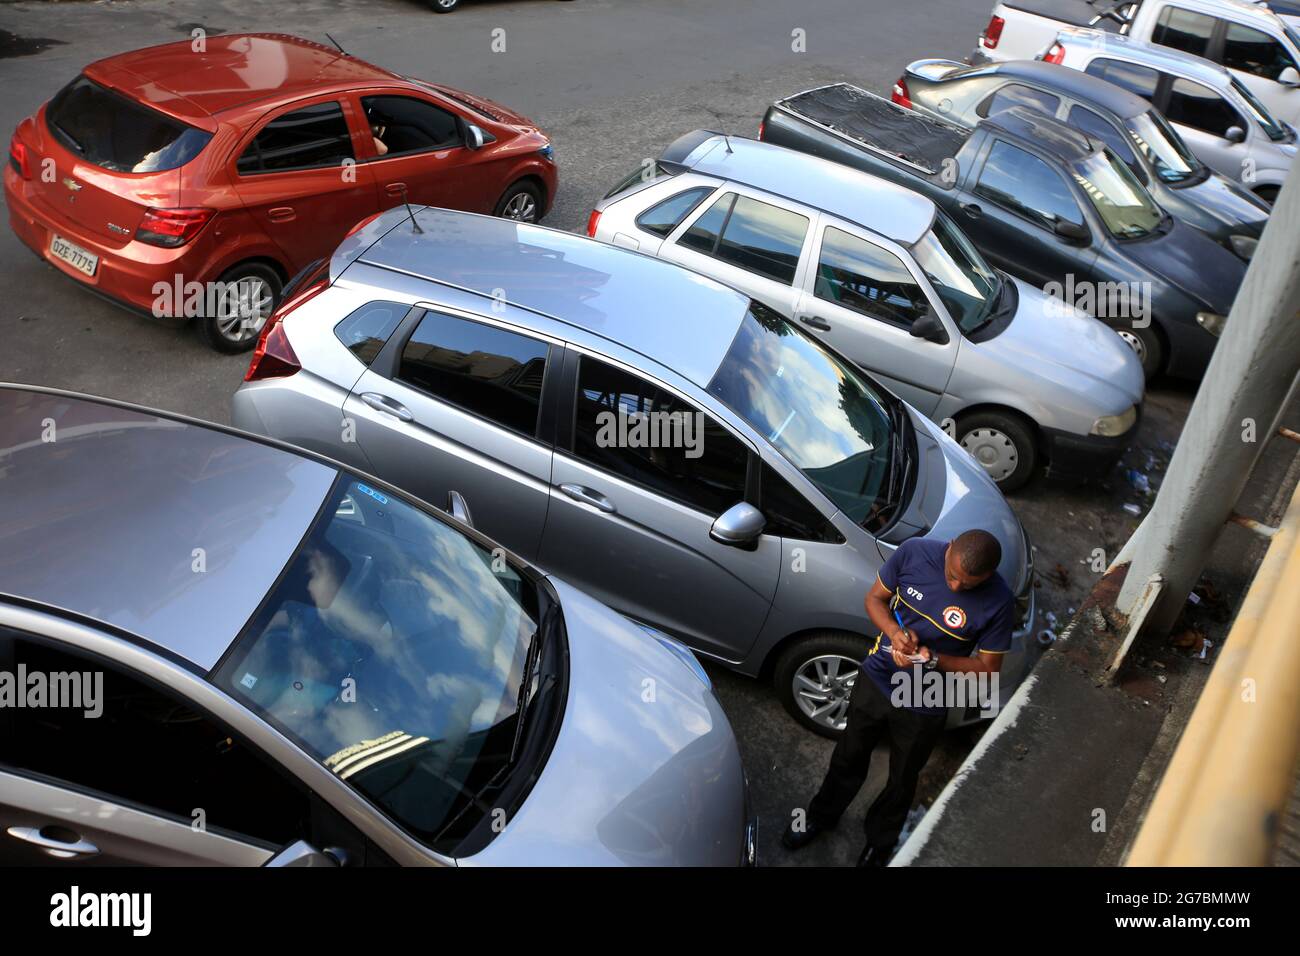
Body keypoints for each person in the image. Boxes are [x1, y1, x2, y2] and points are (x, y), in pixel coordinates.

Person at [783, 529, 1014, 866]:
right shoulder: (914, 553)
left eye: (969, 584)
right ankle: (821, 815)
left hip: (928, 696)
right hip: (879, 676)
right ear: (948, 549)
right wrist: (894, 633)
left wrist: (932, 659)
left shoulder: (999, 601)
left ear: (988, 576)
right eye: (952, 576)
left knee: (903, 775)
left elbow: (987, 668)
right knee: (850, 753)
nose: (956, 588)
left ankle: (880, 842)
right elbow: (874, 599)